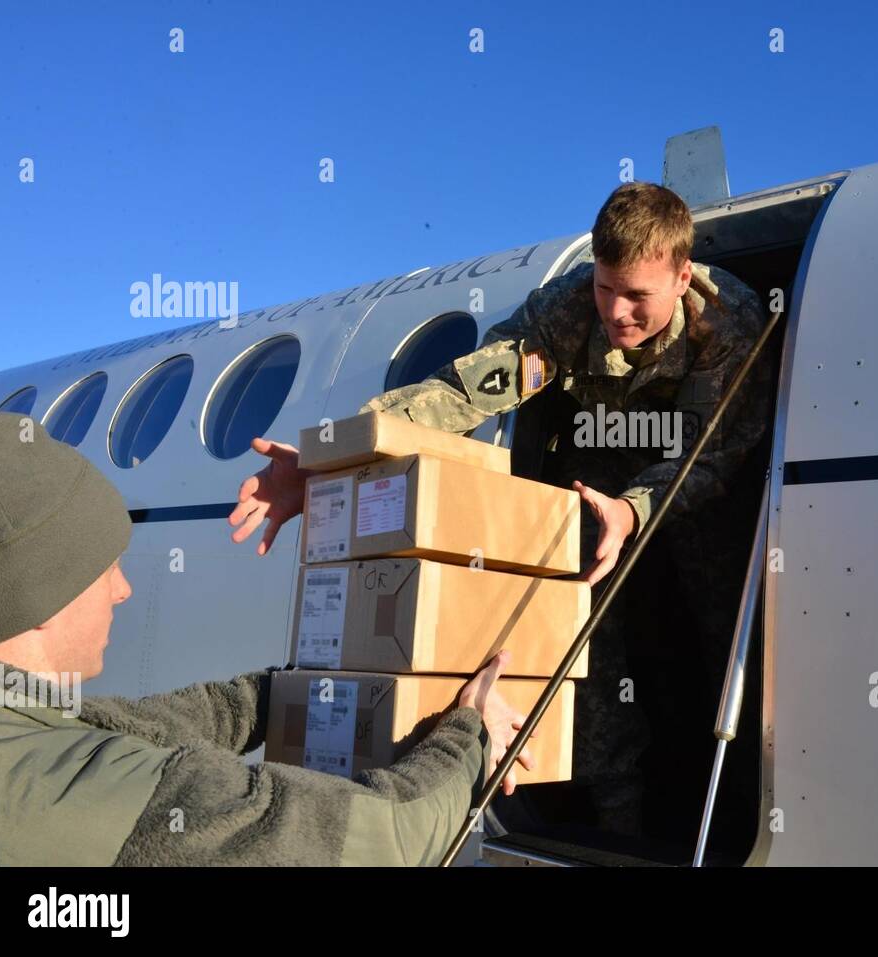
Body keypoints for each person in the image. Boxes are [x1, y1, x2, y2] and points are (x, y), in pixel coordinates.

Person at [231, 181, 774, 837]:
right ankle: (623, 824)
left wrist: (636, 511)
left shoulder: (731, 323)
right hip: (597, 468)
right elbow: (466, 392)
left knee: (728, 633)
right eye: (606, 289)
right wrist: (330, 456)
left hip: (692, 477)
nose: (617, 313)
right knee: (585, 641)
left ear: (682, 275)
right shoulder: (570, 311)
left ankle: (739, 808)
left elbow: (714, 455)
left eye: (638, 296)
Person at [0, 411, 530, 866]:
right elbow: (388, 837)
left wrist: (310, 682)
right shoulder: (85, 799)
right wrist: (471, 732)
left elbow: (154, 723)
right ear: (42, 598)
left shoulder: (10, 727)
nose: (121, 591)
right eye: (106, 569)